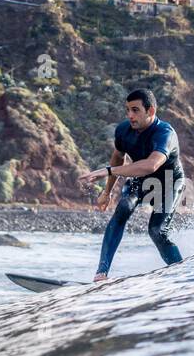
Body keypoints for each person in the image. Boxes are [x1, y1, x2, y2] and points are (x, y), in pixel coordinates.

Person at [79, 88, 185, 281]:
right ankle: (101, 273)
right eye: (127, 110)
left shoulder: (165, 133)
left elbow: (151, 165)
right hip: (142, 181)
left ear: (150, 111)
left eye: (135, 110)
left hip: (170, 182)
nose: (130, 115)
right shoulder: (123, 131)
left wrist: (108, 171)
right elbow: (117, 157)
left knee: (157, 231)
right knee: (123, 207)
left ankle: (182, 275)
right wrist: (107, 192)